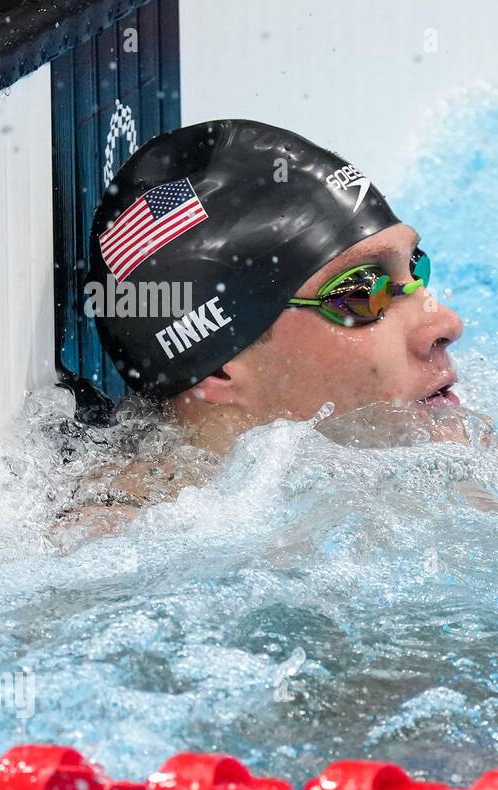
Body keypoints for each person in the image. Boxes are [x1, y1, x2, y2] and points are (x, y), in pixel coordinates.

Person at [57, 119, 466, 539]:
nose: (446, 323)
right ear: (217, 366)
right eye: (362, 292)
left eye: (416, 266)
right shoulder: (131, 544)